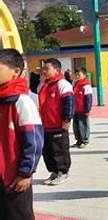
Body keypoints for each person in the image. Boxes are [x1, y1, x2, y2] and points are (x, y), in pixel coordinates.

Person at [0, 49, 44, 220]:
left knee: (17, 215)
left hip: (14, 178)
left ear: (15, 72)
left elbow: (33, 142)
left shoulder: (22, 102)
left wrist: (25, 173)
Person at [38, 58, 74, 185]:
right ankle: (53, 171)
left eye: (47, 68)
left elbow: (68, 102)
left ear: (57, 70)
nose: (44, 71)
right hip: (45, 124)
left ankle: (63, 172)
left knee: (59, 149)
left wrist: (67, 118)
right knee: (47, 150)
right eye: (43, 68)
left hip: (58, 124)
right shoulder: (44, 85)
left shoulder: (63, 84)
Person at [72, 68, 93, 148]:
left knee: (83, 124)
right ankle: (78, 140)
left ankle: (84, 140)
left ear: (84, 75)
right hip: (75, 109)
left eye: (79, 75)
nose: (77, 76)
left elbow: (88, 98)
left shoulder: (86, 85)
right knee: (76, 125)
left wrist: (87, 109)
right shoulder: (76, 84)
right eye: (76, 75)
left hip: (83, 109)